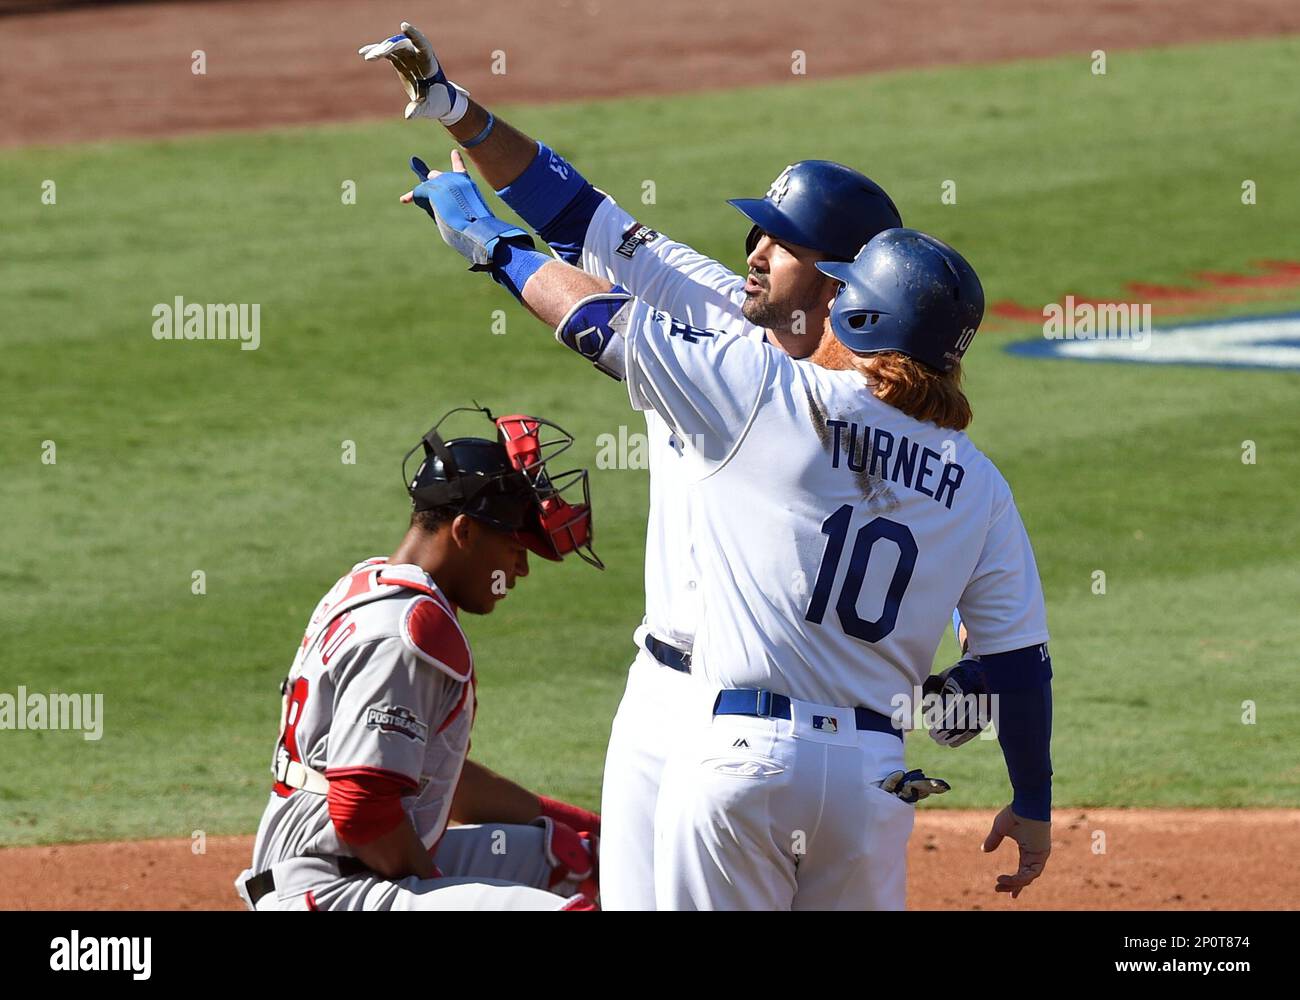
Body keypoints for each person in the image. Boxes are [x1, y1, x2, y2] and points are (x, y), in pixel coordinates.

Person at [399, 160, 1055, 910]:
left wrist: (489, 239)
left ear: (859, 314)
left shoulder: (770, 394)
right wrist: (1032, 799)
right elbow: (1019, 664)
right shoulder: (979, 483)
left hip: (742, 762)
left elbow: (595, 319)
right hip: (874, 779)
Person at [360, 21, 906, 910]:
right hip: (660, 695)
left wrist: (491, 250)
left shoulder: (864, 417)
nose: (753, 254)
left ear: (842, 284)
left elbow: (590, 316)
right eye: (757, 235)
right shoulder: (732, 317)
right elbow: (580, 213)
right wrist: (457, 111)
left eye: (781, 242)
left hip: (771, 720)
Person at [235, 407, 603, 910]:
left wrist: (568, 823)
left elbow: (433, 775)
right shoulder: (408, 631)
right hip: (332, 888)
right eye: (514, 545)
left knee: (583, 859)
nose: (521, 569)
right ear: (464, 532)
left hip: (348, 861)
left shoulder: (370, 585)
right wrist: (436, 887)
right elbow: (363, 811)